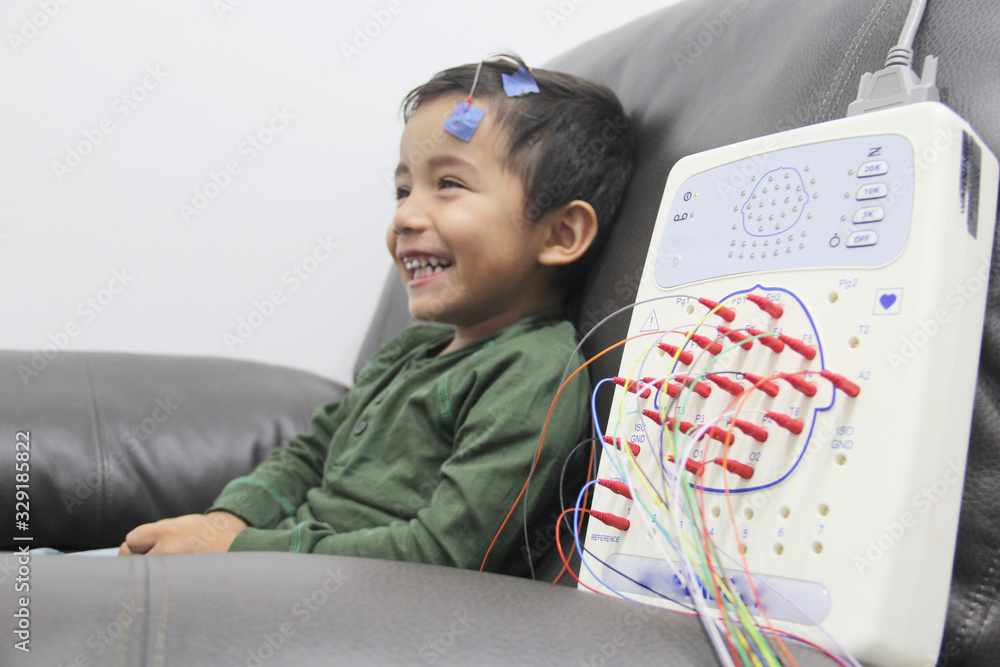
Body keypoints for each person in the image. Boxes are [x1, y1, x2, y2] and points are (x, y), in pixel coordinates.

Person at [118, 54, 636, 576]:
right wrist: (224, 524)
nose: (404, 216)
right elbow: (310, 454)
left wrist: (240, 550)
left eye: (449, 183)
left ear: (560, 234)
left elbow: (442, 557)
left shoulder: (531, 372)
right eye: (403, 190)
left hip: (348, 595)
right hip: (274, 570)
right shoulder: (411, 349)